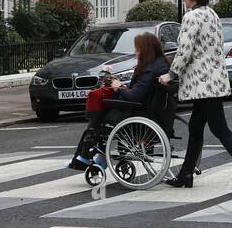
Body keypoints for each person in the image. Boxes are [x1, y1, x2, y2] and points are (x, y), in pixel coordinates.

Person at [161, 0, 232, 192]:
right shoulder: (212, 14)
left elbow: (185, 50)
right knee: (195, 127)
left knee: (220, 129)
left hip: (202, 83)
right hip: (214, 79)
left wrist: (171, 74)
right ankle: (186, 174)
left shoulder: (191, 17)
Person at [69, 32, 171, 170]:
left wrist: (118, 88)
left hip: (138, 112)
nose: (135, 52)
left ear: (145, 50)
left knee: (97, 119)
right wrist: (124, 87)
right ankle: (88, 157)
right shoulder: (160, 64)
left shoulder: (149, 68)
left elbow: (134, 96)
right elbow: (142, 90)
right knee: (98, 118)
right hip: (151, 110)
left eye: (137, 49)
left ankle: (85, 158)